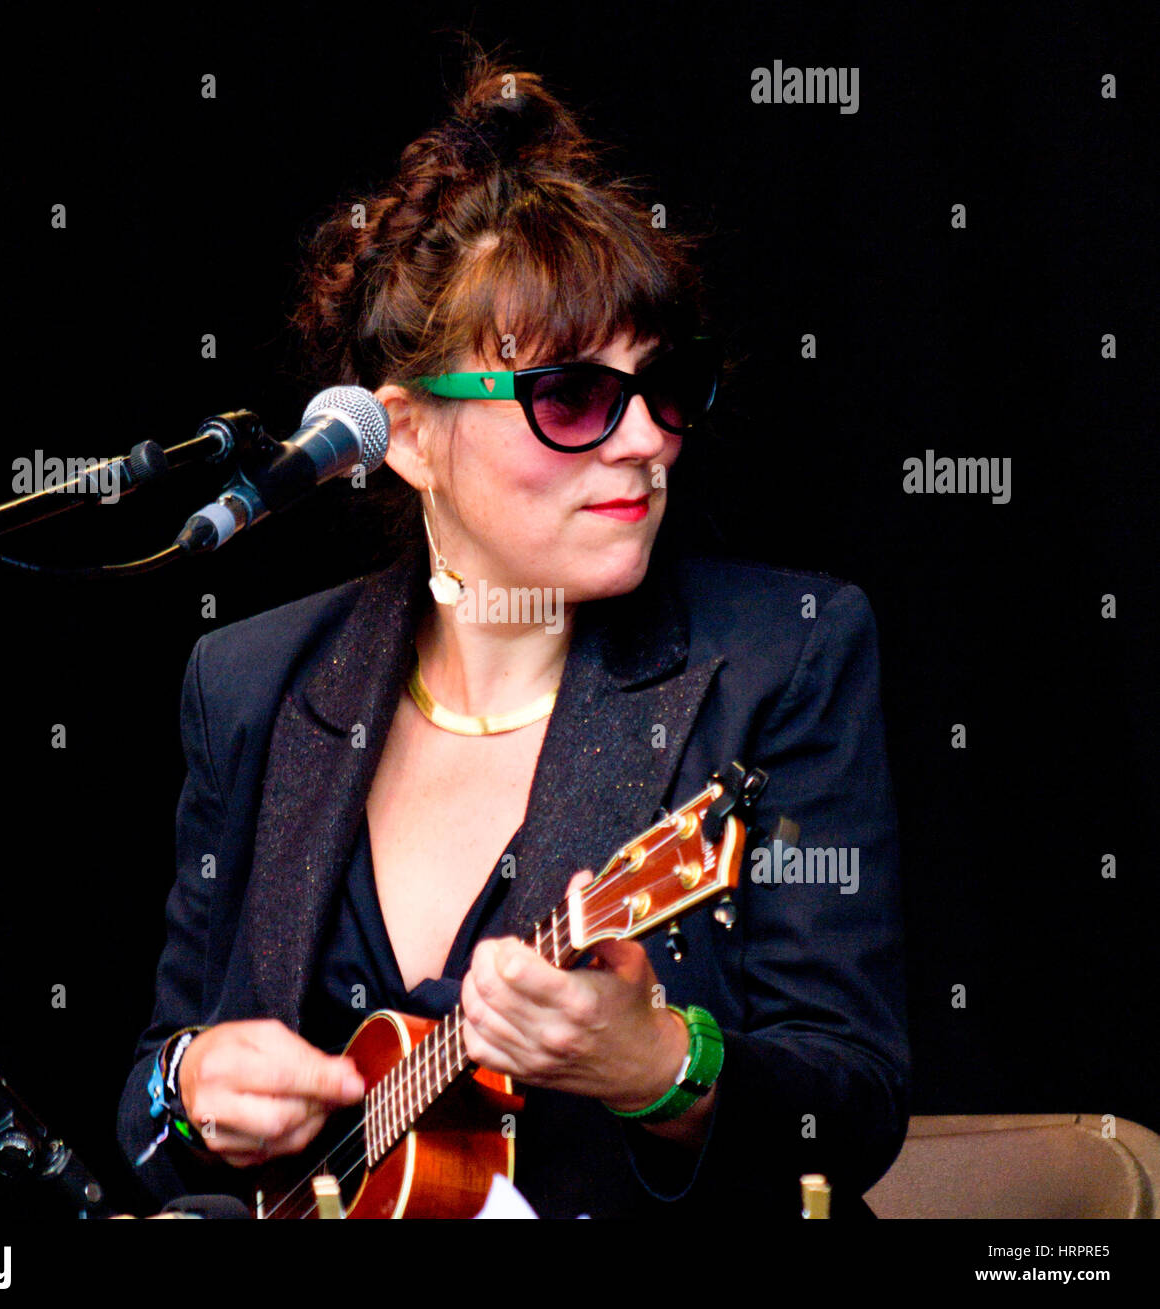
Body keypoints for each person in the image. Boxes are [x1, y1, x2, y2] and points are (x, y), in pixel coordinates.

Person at [116, 47, 909, 1220]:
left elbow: (850, 1111)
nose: (647, 439)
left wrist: (660, 1068)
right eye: (576, 397)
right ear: (407, 437)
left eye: (668, 384)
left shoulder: (781, 655)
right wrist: (189, 1086)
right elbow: (151, 1093)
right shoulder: (251, 682)